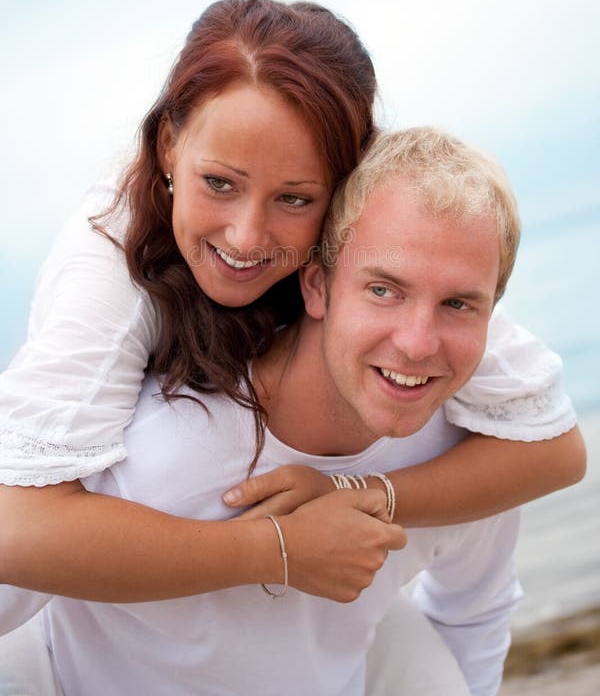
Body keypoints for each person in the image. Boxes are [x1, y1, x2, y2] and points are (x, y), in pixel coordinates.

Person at [0, 0, 584, 612]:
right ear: (170, 145)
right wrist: (279, 549)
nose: (246, 237)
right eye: (219, 183)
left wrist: (358, 490)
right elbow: (15, 530)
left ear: (342, 184)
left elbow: (553, 448)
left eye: (295, 199)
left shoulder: (373, 234)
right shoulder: (108, 266)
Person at [1, 127, 575, 696]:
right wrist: (275, 549)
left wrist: (363, 489)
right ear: (318, 286)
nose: (419, 343)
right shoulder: (159, 446)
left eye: (458, 304)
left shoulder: (464, 460)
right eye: (383, 290)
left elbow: (475, 613)